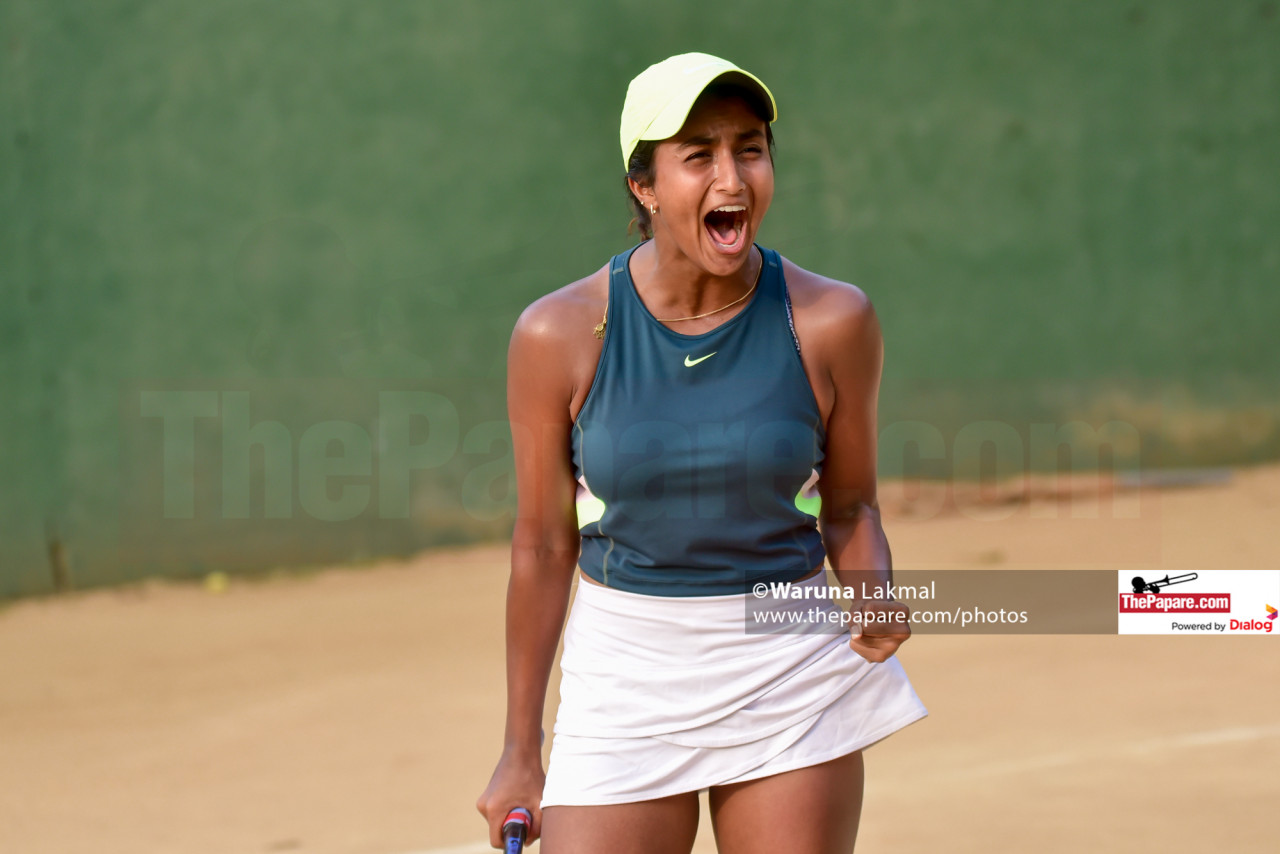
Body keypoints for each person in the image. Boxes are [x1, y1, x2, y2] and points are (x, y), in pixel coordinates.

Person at [476, 52, 927, 854]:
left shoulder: (832, 320)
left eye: (749, 148)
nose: (733, 177)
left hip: (787, 659)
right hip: (627, 669)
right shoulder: (557, 334)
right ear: (643, 187)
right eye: (699, 156)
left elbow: (851, 506)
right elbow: (544, 544)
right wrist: (521, 747)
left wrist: (872, 585)